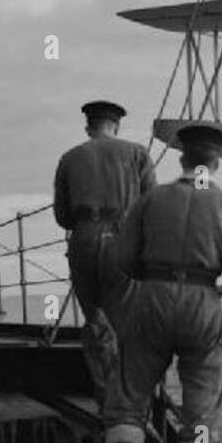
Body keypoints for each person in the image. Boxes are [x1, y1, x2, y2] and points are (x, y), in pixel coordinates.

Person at [89, 121, 222, 443]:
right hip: (203, 303)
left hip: (152, 298)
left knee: (129, 394)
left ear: (182, 157)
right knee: (202, 405)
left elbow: (124, 259)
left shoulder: (149, 201)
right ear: (216, 161)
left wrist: (151, 275)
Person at [53, 100, 156, 412]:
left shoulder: (69, 158)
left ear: (88, 127)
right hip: (121, 240)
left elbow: (62, 216)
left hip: (83, 240)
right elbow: (150, 206)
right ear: (117, 126)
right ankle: (128, 404)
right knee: (124, 323)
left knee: (96, 323)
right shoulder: (137, 153)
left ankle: (104, 399)